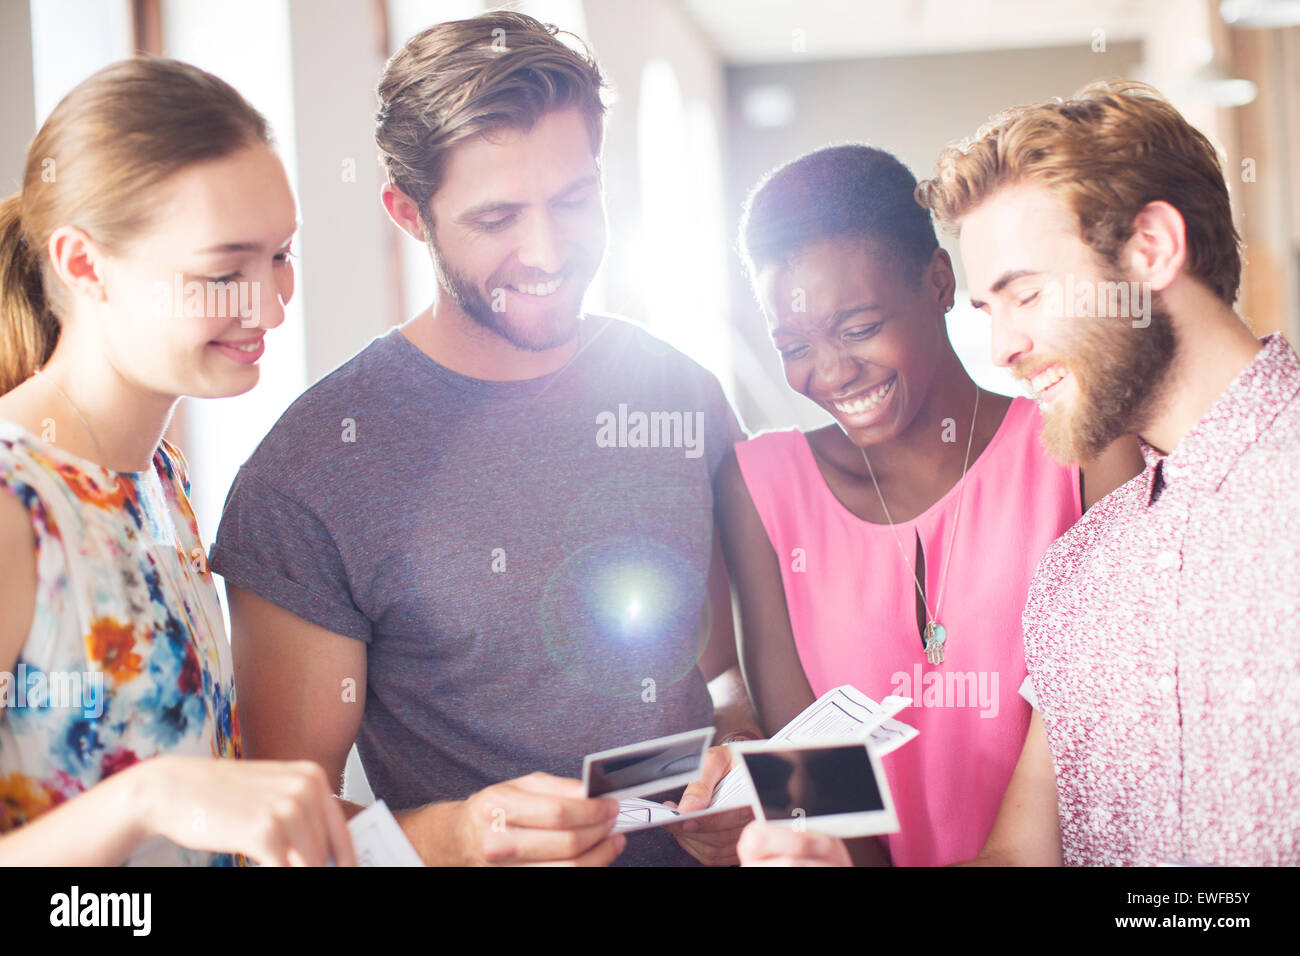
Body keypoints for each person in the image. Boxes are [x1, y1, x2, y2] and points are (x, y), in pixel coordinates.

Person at [210, 11, 756, 867]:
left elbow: (722, 677)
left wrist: (739, 762)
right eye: (497, 217)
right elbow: (276, 830)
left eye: (575, 200)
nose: (547, 251)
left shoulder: (680, 390)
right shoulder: (309, 472)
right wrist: (458, 838)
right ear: (407, 213)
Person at [740, 79, 1300, 867]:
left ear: (1152, 250)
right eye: (988, 310)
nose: (1002, 349)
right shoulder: (1082, 569)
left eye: (1026, 295)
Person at [717, 145, 1140, 866]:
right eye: (794, 344)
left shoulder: (1086, 448)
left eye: (857, 328)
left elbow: (1122, 734)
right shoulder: (759, 486)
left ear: (938, 282)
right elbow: (809, 760)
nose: (831, 372)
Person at [0, 57, 355, 866]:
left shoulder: (158, 478)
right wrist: (145, 796)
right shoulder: (12, 502)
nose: (267, 305)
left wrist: (467, 833)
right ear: (85, 265)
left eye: (280, 256)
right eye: (223, 271)